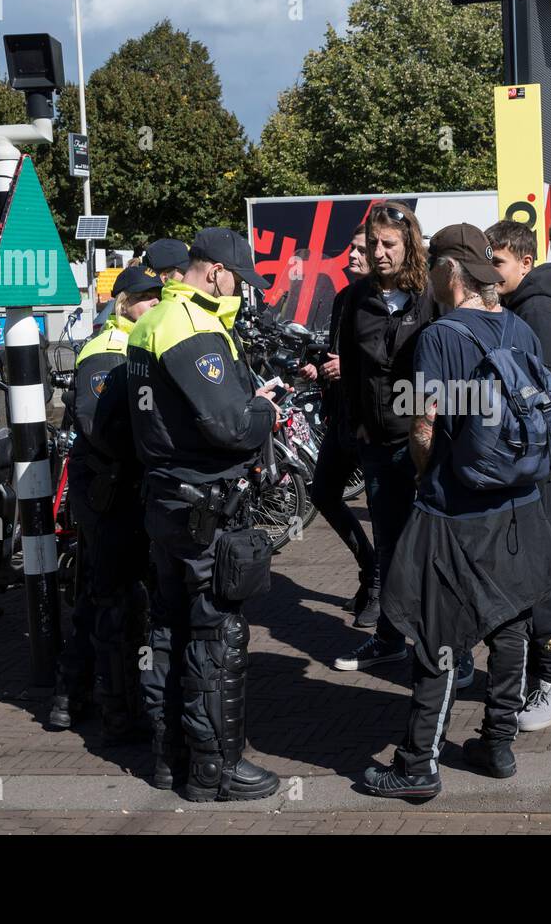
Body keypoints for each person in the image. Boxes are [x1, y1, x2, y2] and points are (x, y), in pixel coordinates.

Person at [361, 224, 551, 800]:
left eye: (433, 266)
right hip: (518, 503)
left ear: (451, 272)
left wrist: (425, 469)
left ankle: (417, 765)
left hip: (455, 508)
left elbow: (426, 423)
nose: (428, 276)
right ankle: (497, 745)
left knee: (437, 635)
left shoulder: (439, 337)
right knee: (510, 624)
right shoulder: (519, 328)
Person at [128, 227, 282, 802]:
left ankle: (171, 762)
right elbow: (231, 426)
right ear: (215, 270)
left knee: (168, 629)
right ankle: (217, 771)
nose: (242, 290)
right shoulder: (193, 327)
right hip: (204, 506)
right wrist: (264, 409)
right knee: (218, 634)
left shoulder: (148, 322)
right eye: (239, 278)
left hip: (164, 499)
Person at [49, 266, 164, 735]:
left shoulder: (137, 345)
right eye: (144, 299)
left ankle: (69, 697)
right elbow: (101, 430)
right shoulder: (106, 352)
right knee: (115, 601)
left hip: (120, 487)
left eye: (158, 297)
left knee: (98, 595)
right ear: (122, 304)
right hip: (108, 491)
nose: (153, 305)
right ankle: (116, 714)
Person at [333, 202, 440, 674]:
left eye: (388, 244)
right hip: (378, 443)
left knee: (436, 543)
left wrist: (439, 427)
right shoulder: (357, 299)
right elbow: (351, 367)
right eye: (373, 243)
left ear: (409, 245)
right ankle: (390, 637)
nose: (378, 252)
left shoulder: (430, 296)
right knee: (392, 544)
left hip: (426, 441)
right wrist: (357, 419)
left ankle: (440, 643)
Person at [487, 219, 551, 731]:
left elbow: (548, 398)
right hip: (533, 463)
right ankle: (536, 674)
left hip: (546, 465)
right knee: (530, 571)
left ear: (525, 263)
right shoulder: (520, 308)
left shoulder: (538, 312)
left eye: (497, 262)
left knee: (547, 573)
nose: (490, 271)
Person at [298, 226, 377, 616]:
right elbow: (335, 352)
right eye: (351, 246)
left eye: (361, 249)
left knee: (383, 507)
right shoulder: (344, 298)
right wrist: (319, 368)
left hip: (374, 419)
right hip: (342, 417)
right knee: (323, 494)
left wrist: (350, 367)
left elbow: (396, 361)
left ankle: (382, 589)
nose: (352, 255)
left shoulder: (384, 301)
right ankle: (370, 567)